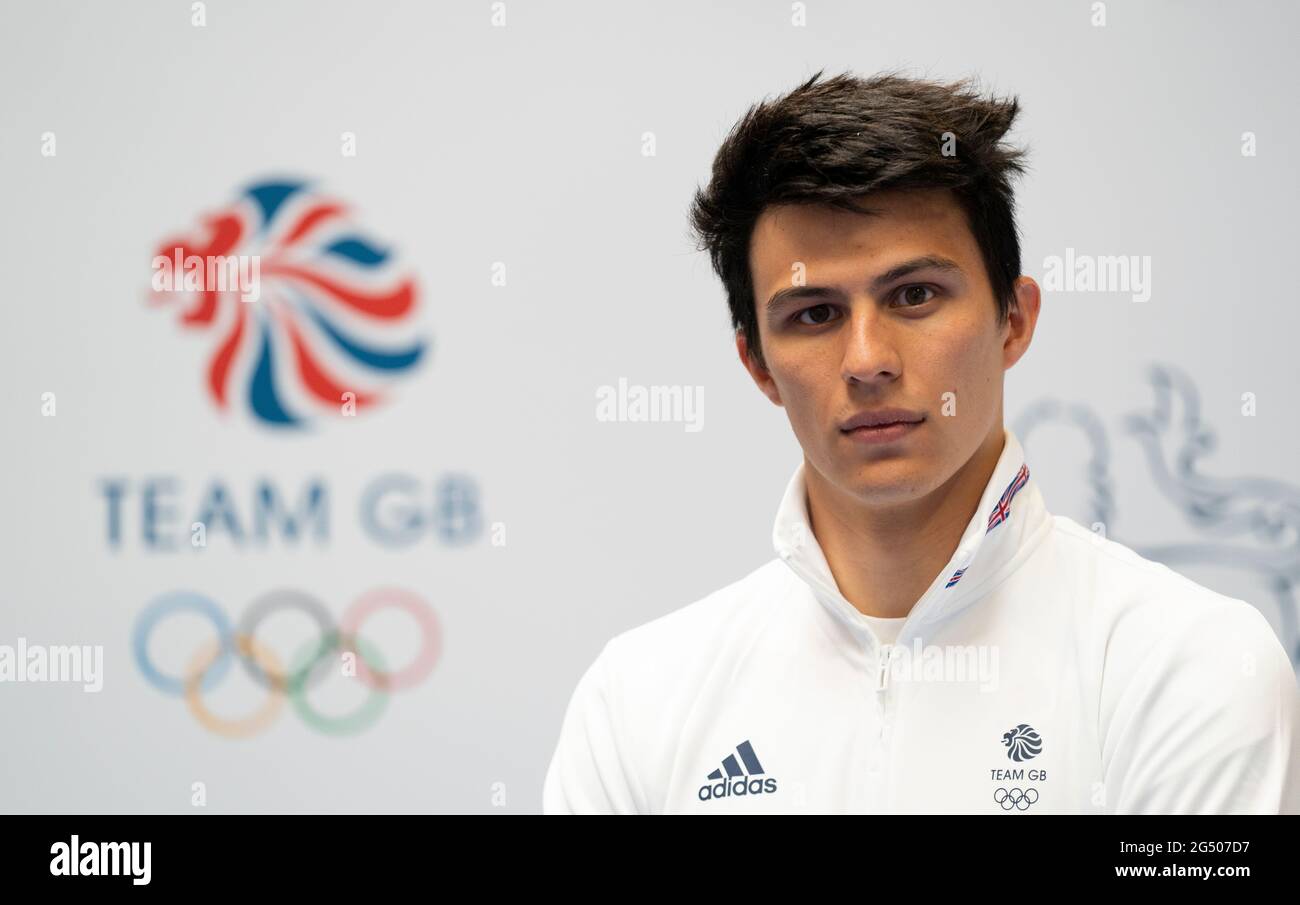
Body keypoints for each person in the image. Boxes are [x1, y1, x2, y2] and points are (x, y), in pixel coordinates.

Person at [542, 70, 1300, 814]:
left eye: (914, 296)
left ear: (1014, 317)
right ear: (757, 364)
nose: (868, 359)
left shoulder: (1187, 662)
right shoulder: (637, 701)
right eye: (814, 313)